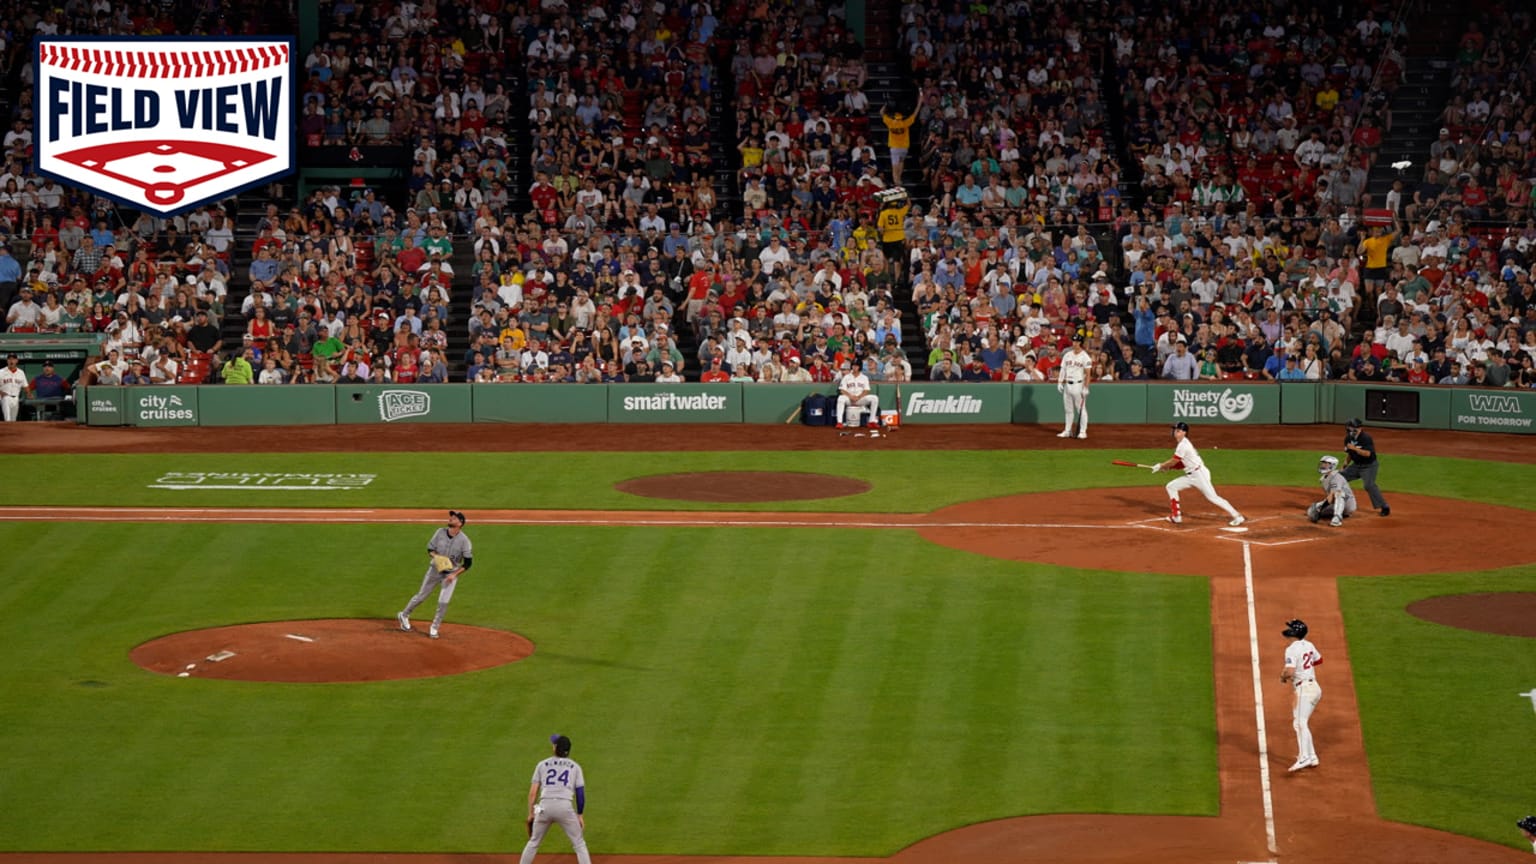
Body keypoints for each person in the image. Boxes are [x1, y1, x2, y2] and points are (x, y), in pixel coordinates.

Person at [1150, 422, 1246, 526]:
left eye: (1178, 430)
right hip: (1191, 475)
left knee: (1213, 497)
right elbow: (1182, 463)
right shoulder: (1182, 443)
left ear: (1184, 433)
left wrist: (1161, 466)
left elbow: (1174, 461)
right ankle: (1176, 516)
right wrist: (1167, 467)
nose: (1175, 432)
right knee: (1171, 486)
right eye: (1175, 430)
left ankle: (1237, 516)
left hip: (1199, 475)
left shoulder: (1183, 445)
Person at [396, 510, 473, 639]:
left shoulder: (465, 541)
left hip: (450, 574)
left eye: (454, 518)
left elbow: (468, 563)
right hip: (434, 570)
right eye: (451, 517)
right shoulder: (440, 532)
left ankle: (434, 627)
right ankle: (404, 615)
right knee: (421, 596)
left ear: (460, 523)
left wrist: (454, 575)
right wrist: (437, 557)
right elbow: (430, 549)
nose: (451, 519)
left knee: (443, 602)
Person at [519, 734, 592, 864]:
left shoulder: (542, 765)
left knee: (534, 842)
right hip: (565, 808)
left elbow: (532, 794)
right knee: (579, 844)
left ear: (555, 748)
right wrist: (579, 815)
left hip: (543, 807)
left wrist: (531, 813)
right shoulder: (575, 767)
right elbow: (580, 795)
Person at [1279, 618, 1322, 772]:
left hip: (1304, 689)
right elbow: (1318, 660)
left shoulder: (1291, 649)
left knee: (1299, 723)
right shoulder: (1309, 645)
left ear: (1294, 632)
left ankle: (1304, 757)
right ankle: (1312, 756)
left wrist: (1283, 677)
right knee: (1302, 722)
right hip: (1314, 688)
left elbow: (1289, 672)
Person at [1341, 417, 1389, 516]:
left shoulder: (1365, 438)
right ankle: (1342, 503)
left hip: (1369, 466)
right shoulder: (1348, 438)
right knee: (1339, 478)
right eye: (1349, 427)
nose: (1350, 429)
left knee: (1369, 485)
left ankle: (1384, 506)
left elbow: (1368, 454)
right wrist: (1344, 465)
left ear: (1359, 428)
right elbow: (1350, 454)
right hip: (1356, 466)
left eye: (1353, 427)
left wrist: (1354, 448)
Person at [1057, 332, 1093, 439]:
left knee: (1081, 409)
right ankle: (1068, 430)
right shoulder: (1067, 355)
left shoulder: (1085, 357)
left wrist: (1086, 387)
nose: (1075, 343)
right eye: (1073, 341)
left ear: (1080, 343)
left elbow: (1088, 374)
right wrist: (1060, 381)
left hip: (1078, 384)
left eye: (1077, 341)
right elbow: (1063, 369)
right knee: (1068, 410)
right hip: (1068, 385)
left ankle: (1082, 431)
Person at [1307, 455, 1357, 527]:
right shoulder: (1324, 478)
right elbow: (1330, 498)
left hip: (1348, 505)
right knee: (1312, 510)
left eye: (1326, 464)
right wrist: (1318, 509)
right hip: (1336, 502)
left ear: (1332, 466)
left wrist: (1321, 509)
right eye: (1322, 463)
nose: (1323, 465)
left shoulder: (1336, 477)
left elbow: (1331, 496)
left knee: (1338, 493)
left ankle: (1337, 518)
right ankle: (1332, 512)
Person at [834, 361, 879, 429]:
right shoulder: (846, 377)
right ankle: (839, 422)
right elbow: (842, 390)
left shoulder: (864, 377)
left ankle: (871, 421)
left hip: (860, 399)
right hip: (849, 399)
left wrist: (858, 397)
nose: (854, 367)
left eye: (856, 366)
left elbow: (866, 390)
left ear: (860, 367)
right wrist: (850, 396)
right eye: (853, 366)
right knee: (841, 398)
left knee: (874, 398)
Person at [0, 353, 27, 421]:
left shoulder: (21, 372)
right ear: (7, 361)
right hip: (5, 398)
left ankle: (11, 431)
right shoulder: (1, 372)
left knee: (13, 420)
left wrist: (29, 393)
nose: (11, 361)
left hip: (16, 398)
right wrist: (1, 392)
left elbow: (25, 385)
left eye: (13, 359)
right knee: (8, 419)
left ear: (16, 361)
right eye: (9, 359)